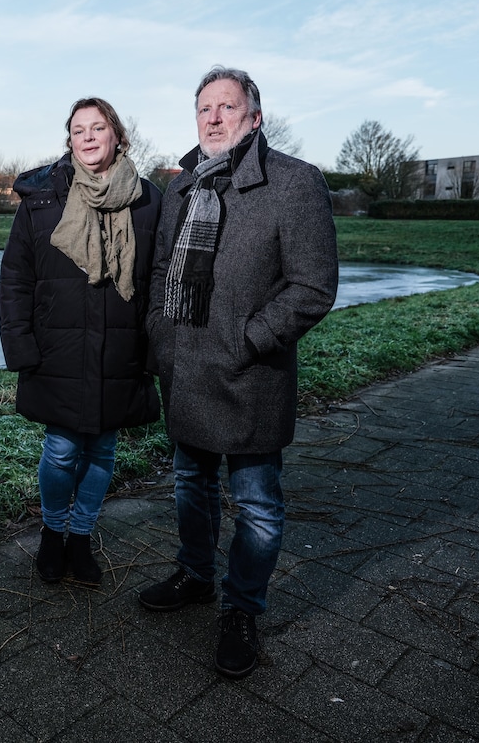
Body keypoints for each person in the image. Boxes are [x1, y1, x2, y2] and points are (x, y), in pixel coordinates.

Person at [139, 66, 338, 678]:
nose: (214, 118)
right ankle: (197, 575)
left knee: (256, 504)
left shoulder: (295, 183)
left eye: (227, 107)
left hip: (251, 376)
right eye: (204, 109)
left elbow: (313, 287)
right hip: (186, 371)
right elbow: (159, 271)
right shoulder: (180, 187)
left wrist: (249, 341)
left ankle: (242, 608)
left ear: (255, 116)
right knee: (190, 485)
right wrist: (159, 336)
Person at [0, 97, 163, 586]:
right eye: (78, 130)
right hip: (58, 349)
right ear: (69, 140)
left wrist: (153, 351)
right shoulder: (41, 200)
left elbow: (157, 280)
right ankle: (53, 534)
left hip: (121, 349)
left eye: (98, 128)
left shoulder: (148, 200)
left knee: (103, 450)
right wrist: (22, 348)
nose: (88, 137)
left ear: (117, 135)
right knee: (62, 449)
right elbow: (15, 279)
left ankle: (80, 538)